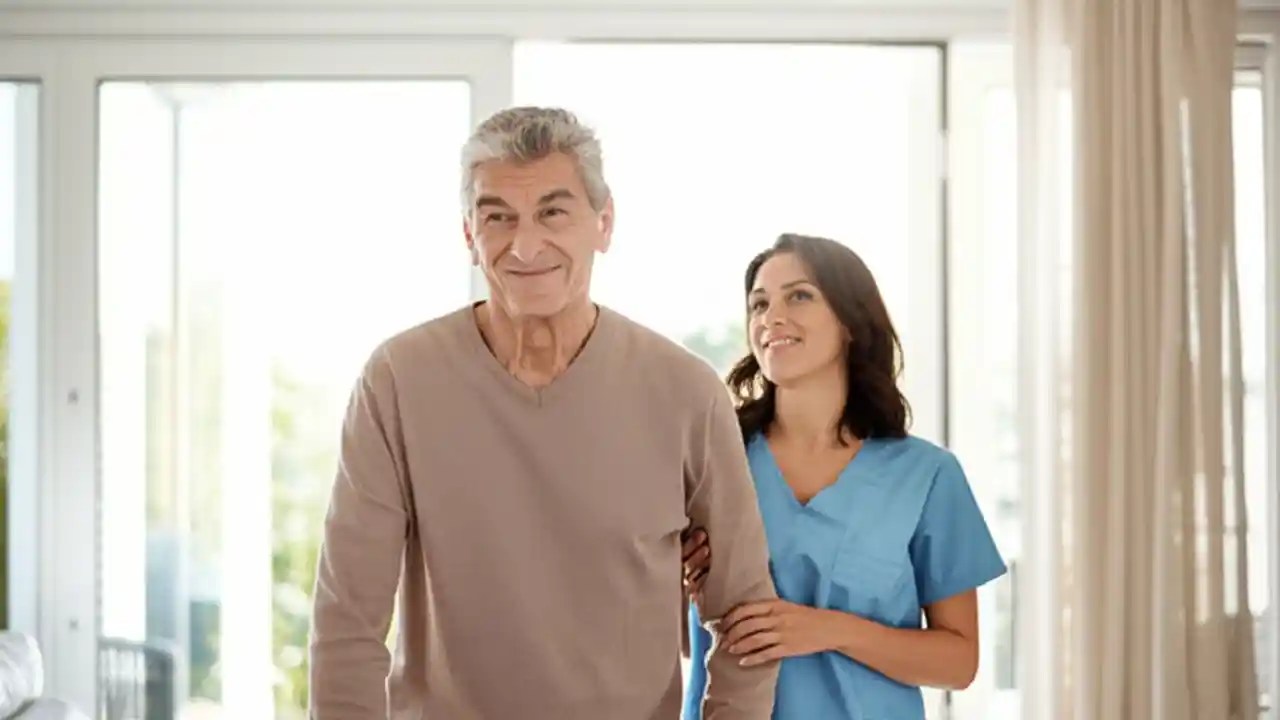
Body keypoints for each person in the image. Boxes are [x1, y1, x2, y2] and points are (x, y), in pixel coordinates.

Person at [307, 106, 779, 719]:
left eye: (552, 212)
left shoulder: (686, 391)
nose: (525, 245)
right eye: (497, 217)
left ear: (603, 223)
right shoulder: (398, 380)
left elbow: (744, 616)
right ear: (470, 236)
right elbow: (348, 622)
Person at [680, 233, 1007, 720]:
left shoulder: (927, 477)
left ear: (851, 322)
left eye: (800, 295)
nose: (771, 317)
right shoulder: (713, 461)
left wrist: (828, 629)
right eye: (759, 304)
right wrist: (676, 585)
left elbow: (959, 663)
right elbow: (685, 646)